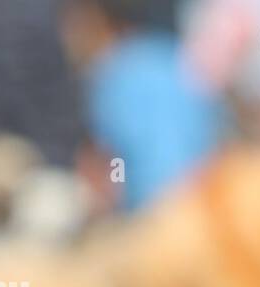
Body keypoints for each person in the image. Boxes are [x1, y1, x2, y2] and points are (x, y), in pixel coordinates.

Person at [64, 0, 228, 211]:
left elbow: (111, 177)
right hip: (209, 205)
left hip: (154, 214)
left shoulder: (110, 76)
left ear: (95, 19)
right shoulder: (173, 54)